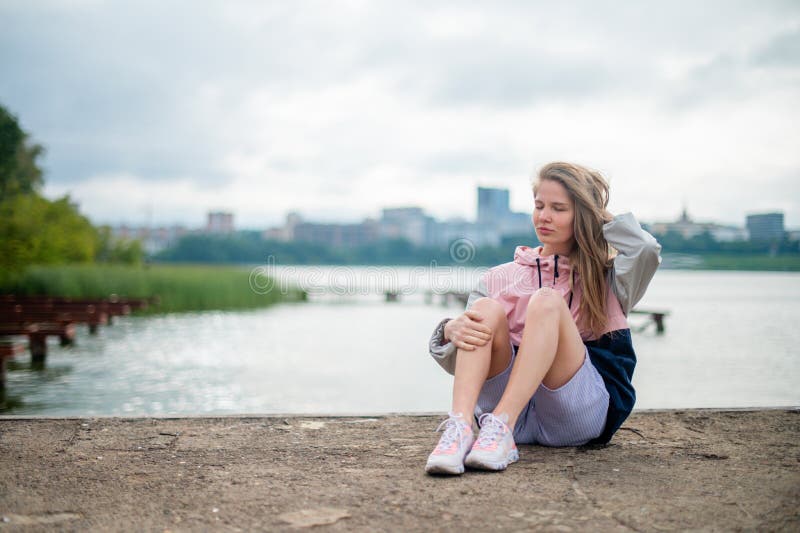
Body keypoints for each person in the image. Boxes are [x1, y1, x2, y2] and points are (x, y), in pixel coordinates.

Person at [425, 162, 661, 475]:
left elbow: (644, 248)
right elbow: (463, 363)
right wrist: (449, 330)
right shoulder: (497, 279)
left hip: (575, 419)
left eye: (559, 208)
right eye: (539, 205)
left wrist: (597, 214)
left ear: (582, 214)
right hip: (502, 425)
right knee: (485, 310)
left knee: (547, 302)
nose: (544, 216)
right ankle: (460, 429)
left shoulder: (610, 280)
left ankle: (502, 424)